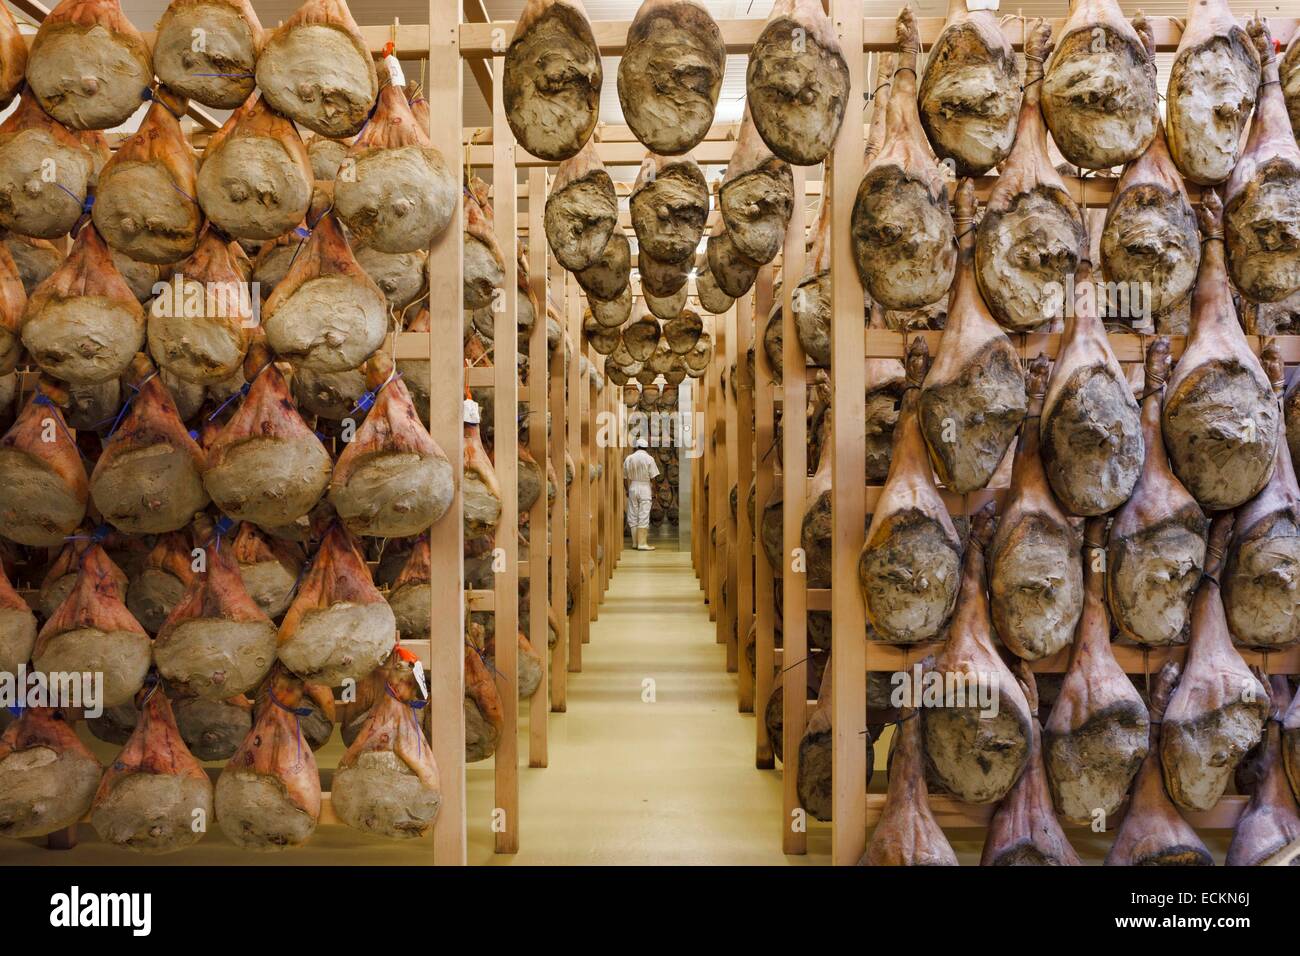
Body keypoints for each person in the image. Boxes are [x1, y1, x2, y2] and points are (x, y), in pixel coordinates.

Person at [623, 438, 660, 551]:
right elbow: (654, 477)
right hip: (645, 487)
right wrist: (655, 491)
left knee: (633, 514)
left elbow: (625, 478)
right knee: (643, 514)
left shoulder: (629, 458)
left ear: (636, 447)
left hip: (633, 486)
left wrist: (627, 490)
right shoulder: (649, 458)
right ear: (646, 448)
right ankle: (642, 544)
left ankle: (635, 543)